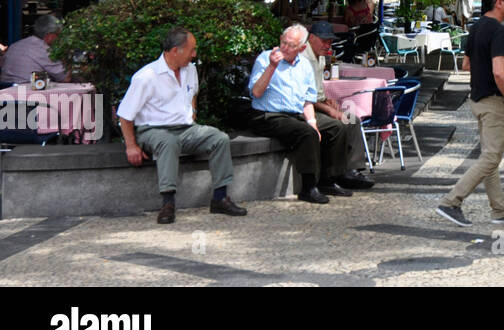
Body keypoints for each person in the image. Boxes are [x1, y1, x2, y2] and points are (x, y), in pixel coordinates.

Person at [117, 27, 248, 224]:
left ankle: (220, 198)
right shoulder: (146, 76)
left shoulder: (190, 70)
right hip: (153, 130)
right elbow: (125, 115)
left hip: (186, 128)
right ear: (175, 50)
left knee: (219, 138)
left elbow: (192, 94)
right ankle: (168, 203)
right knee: (168, 142)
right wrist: (131, 146)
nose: (194, 54)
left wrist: (192, 113)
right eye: (191, 49)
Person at [434, 0, 504, 226]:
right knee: (491, 158)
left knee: (489, 157)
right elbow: (499, 72)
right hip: (494, 102)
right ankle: (451, 201)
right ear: (498, 3)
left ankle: (500, 209)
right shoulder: (498, 31)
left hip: (477, 99)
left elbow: (466, 65)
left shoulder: (476, 28)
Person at [245, 24, 362, 203]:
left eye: (291, 45)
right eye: (283, 42)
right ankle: (308, 186)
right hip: (269, 114)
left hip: (296, 112)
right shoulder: (265, 58)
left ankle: (329, 178)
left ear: (301, 48)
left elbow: (308, 100)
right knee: (306, 133)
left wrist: (313, 122)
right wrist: (271, 67)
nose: (285, 47)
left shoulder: (304, 65)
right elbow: (256, 93)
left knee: (335, 127)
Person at [303, 21, 375, 190]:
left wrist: (328, 100)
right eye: (324, 41)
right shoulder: (304, 57)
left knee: (353, 119)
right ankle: (333, 174)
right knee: (338, 123)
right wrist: (328, 109)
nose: (328, 45)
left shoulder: (320, 57)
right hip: (304, 108)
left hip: (317, 104)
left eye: (330, 41)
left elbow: (318, 90)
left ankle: (352, 169)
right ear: (312, 38)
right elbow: (305, 96)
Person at [0, 15, 67, 85]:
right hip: (27, 92)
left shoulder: (15, 45)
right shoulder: (44, 49)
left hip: (6, 90)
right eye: (59, 35)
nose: (60, 39)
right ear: (50, 36)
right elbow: (65, 78)